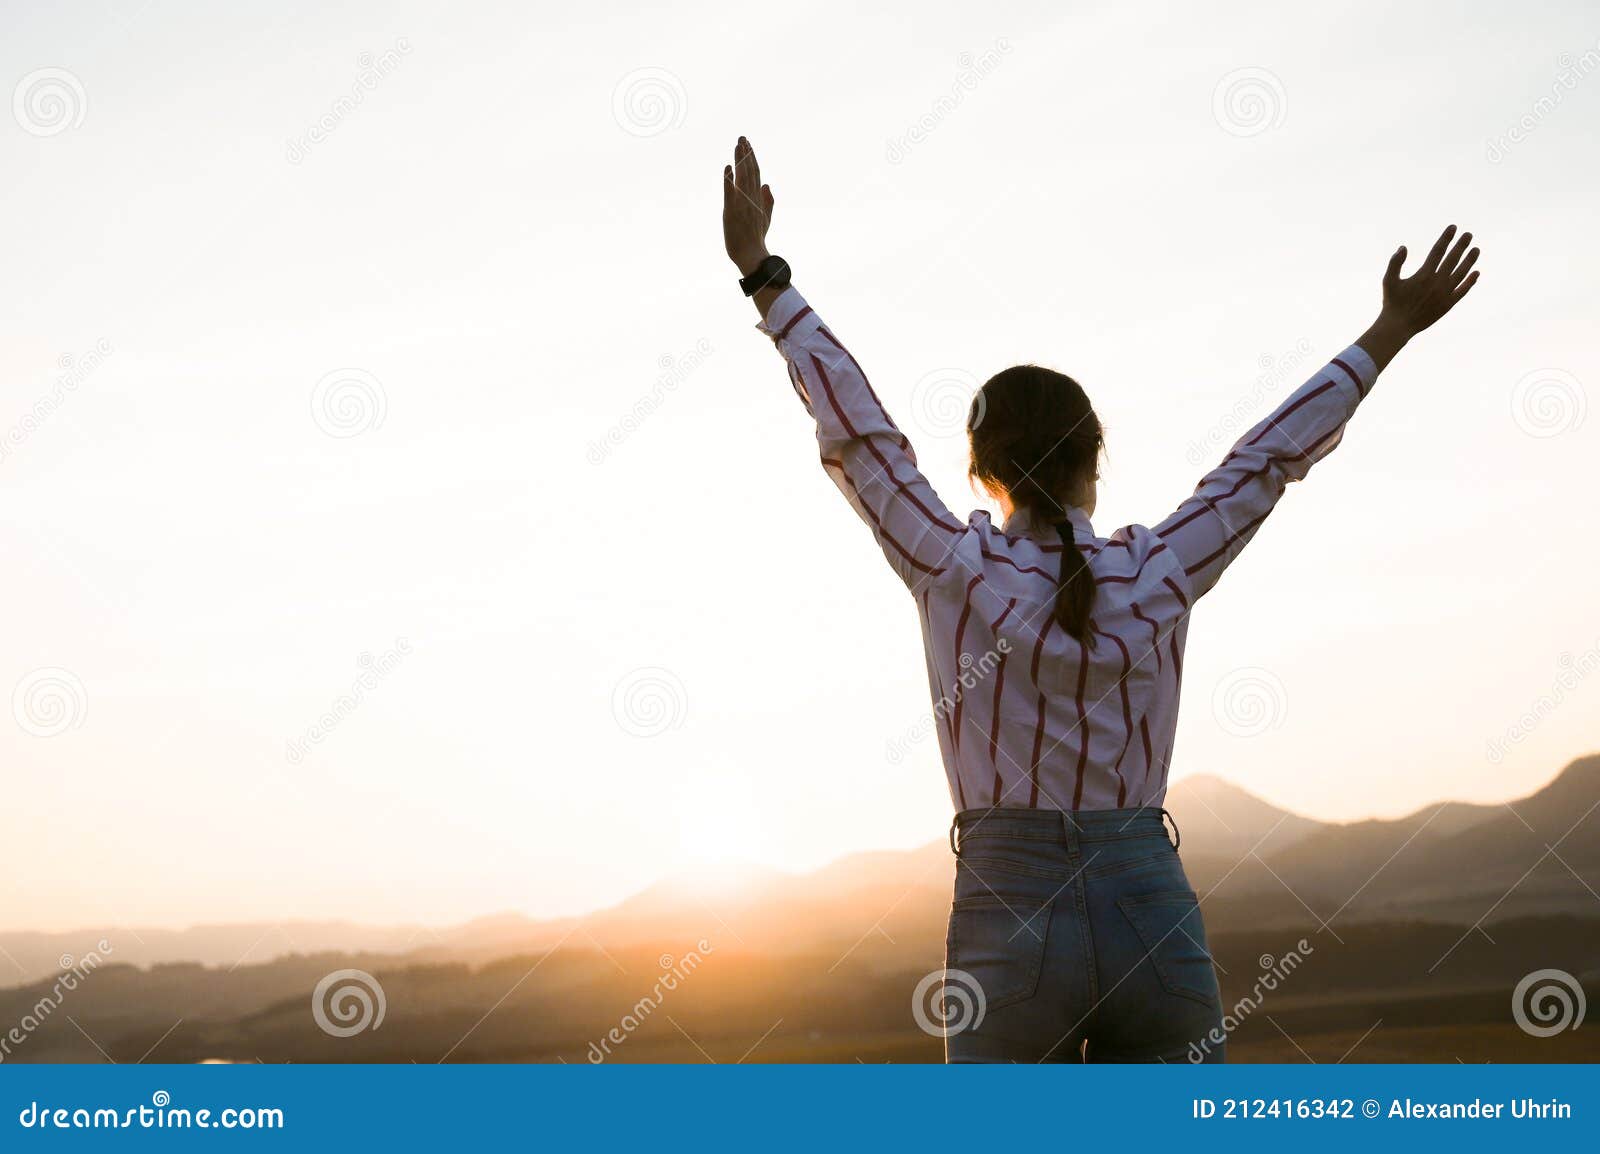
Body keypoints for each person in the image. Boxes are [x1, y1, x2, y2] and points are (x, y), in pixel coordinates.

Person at [720, 137, 1480, 1062]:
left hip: (1008, 921)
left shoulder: (956, 568)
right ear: (1094, 457)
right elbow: (1266, 460)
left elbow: (867, 440)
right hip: (1148, 915)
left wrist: (768, 279)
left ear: (983, 468)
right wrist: (1389, 331)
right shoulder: (1159, 570)